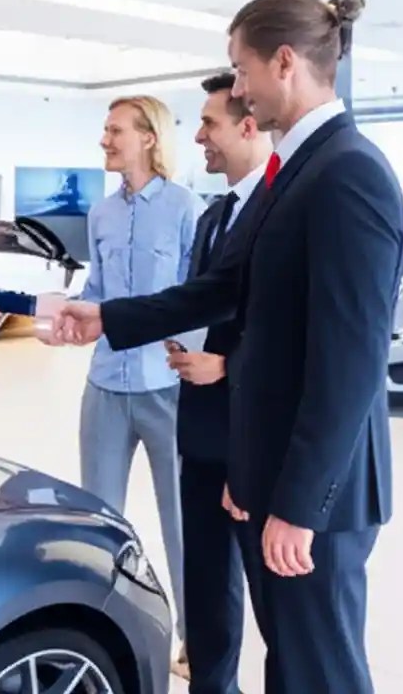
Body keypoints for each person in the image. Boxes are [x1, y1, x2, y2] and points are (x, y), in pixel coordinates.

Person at [49, 0, 403, 694]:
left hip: (318, 497)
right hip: (273, 475)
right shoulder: (291, 175)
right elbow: (222, 288)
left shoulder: (348, 174)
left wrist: (299, 505)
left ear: (283, 63)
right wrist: (107, 317)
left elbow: (351, 362)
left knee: (320, 672)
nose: (236, 90)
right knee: (292, 668)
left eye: (240, 71)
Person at [76, 94, 204, 673]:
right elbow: (96, 295)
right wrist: (66, 318)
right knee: (100, 522)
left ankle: (197, 639)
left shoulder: (186, 209)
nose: (105, 139)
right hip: (105, 383)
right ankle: (109, 633)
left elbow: (198, 299)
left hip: (168, 387)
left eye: (114, 130)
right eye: (104, 130)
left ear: (148, 137)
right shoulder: (100, 214)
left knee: (183, 519)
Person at [169, 71, 273, 691]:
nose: (201, 137)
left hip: (255, 436)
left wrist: (227, 365)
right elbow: (203, 301)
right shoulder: (214, 216)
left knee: (275, 603)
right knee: (206, 588)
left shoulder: (282, 209)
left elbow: (296, 330)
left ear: (247, 125)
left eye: (208, 124)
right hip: (201, 432)